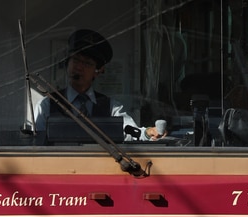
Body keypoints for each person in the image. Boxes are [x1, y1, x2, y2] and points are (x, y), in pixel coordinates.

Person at [33, 29, 166, 141]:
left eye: (87, 63)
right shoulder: (47, 106)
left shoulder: (111, 107)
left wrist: (149, 132)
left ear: (98, 71)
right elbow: (36, 143)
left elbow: (130, 130)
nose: (79, 67)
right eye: (75, 60)